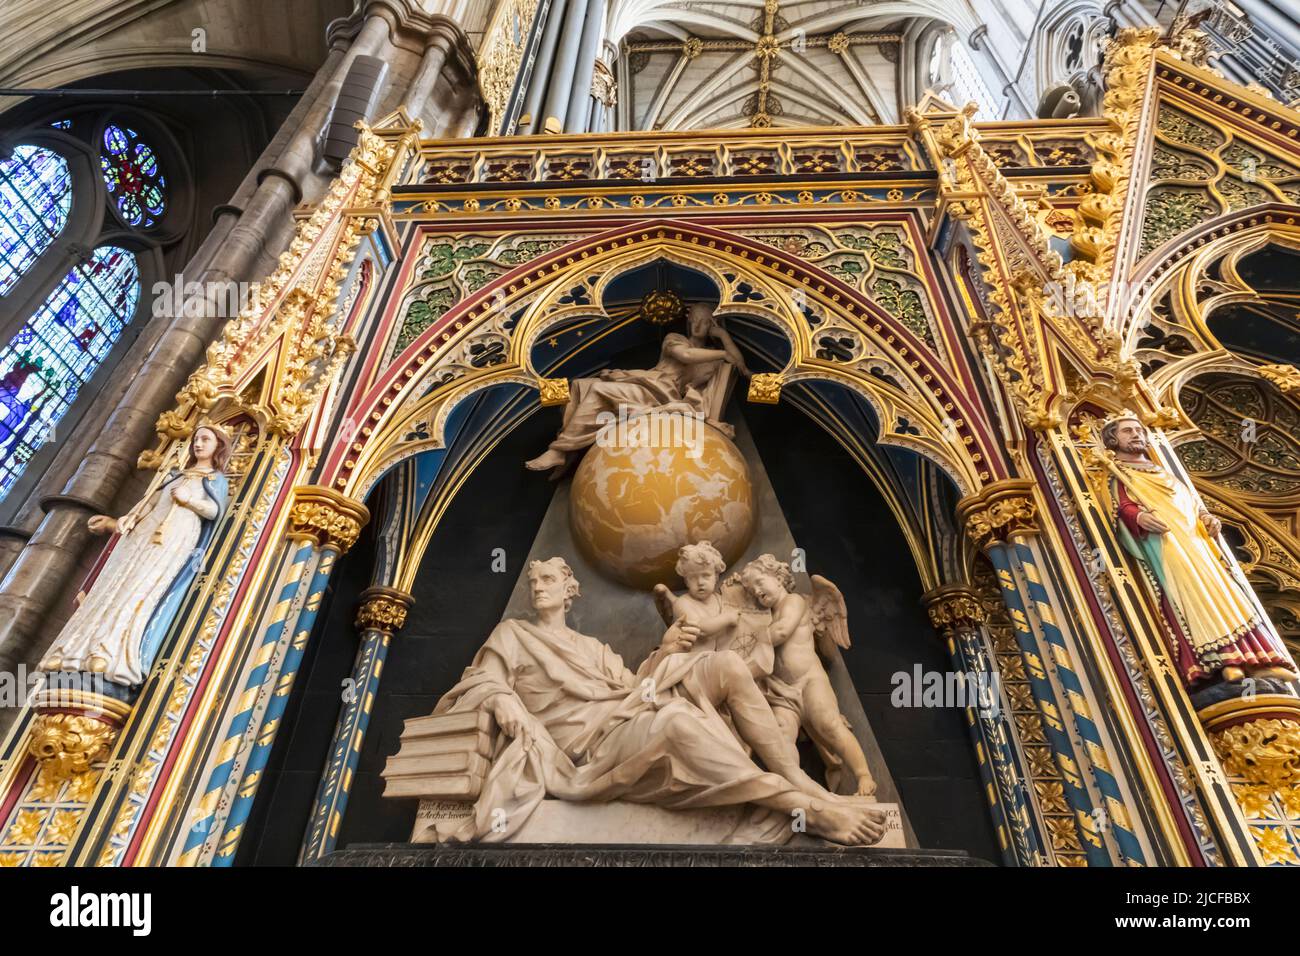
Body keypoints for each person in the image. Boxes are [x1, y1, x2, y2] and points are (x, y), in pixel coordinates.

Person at [431, 556, 886, 845]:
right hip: (588, 746)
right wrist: (502, 699)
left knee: (726, 665)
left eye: (548, 579)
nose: (538, 587)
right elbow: (479, 683)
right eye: (534, 581)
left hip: (621, 715)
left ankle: (797, 778)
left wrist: (666, 652)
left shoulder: (594, 648)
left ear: (570, 592)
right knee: (676, 721)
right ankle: (803, 808)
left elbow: (636, 689)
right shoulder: (513, 634)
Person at [1100, 412, 1297, 686]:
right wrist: (1138, 516)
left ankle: (1257, 660)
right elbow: (1120, 506)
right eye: (1127, 431)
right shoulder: (1119, 473)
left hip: (1197, 544)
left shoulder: (1162, 471)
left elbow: (1191, 503)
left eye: (1139, 430)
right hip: (1168, 545)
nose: (1136, 435)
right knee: (1191, 596)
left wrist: (1207, 518)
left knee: (1226, 595)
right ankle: (1222, 661)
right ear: (1112, 440)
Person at [40, 425, 231, 687]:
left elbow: (214, 511)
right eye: (196, 439)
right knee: (114, 585)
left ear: (219, 446)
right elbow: (150, 503)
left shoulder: (216, 480)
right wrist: (126, 519)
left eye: (205, 440)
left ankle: (110, 654)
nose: (198, 444)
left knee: (138, 591)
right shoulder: (176, 475)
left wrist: (190, 501)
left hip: (172, 541)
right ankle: (73, 649)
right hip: (143, 535)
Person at [524, 303, 750, 474]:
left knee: (598, 390)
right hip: (649, 386)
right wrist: (723, 351)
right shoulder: (676, 338)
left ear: (712, 326)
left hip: (661, 395)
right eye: (696, 320)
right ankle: (570, 448)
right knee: (579, 386)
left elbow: (737, 366)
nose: (699, 326)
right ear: (688, 319)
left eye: (706, 322)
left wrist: (724, 337)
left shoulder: (713, 361)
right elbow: (686, 355)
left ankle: (560, 450)